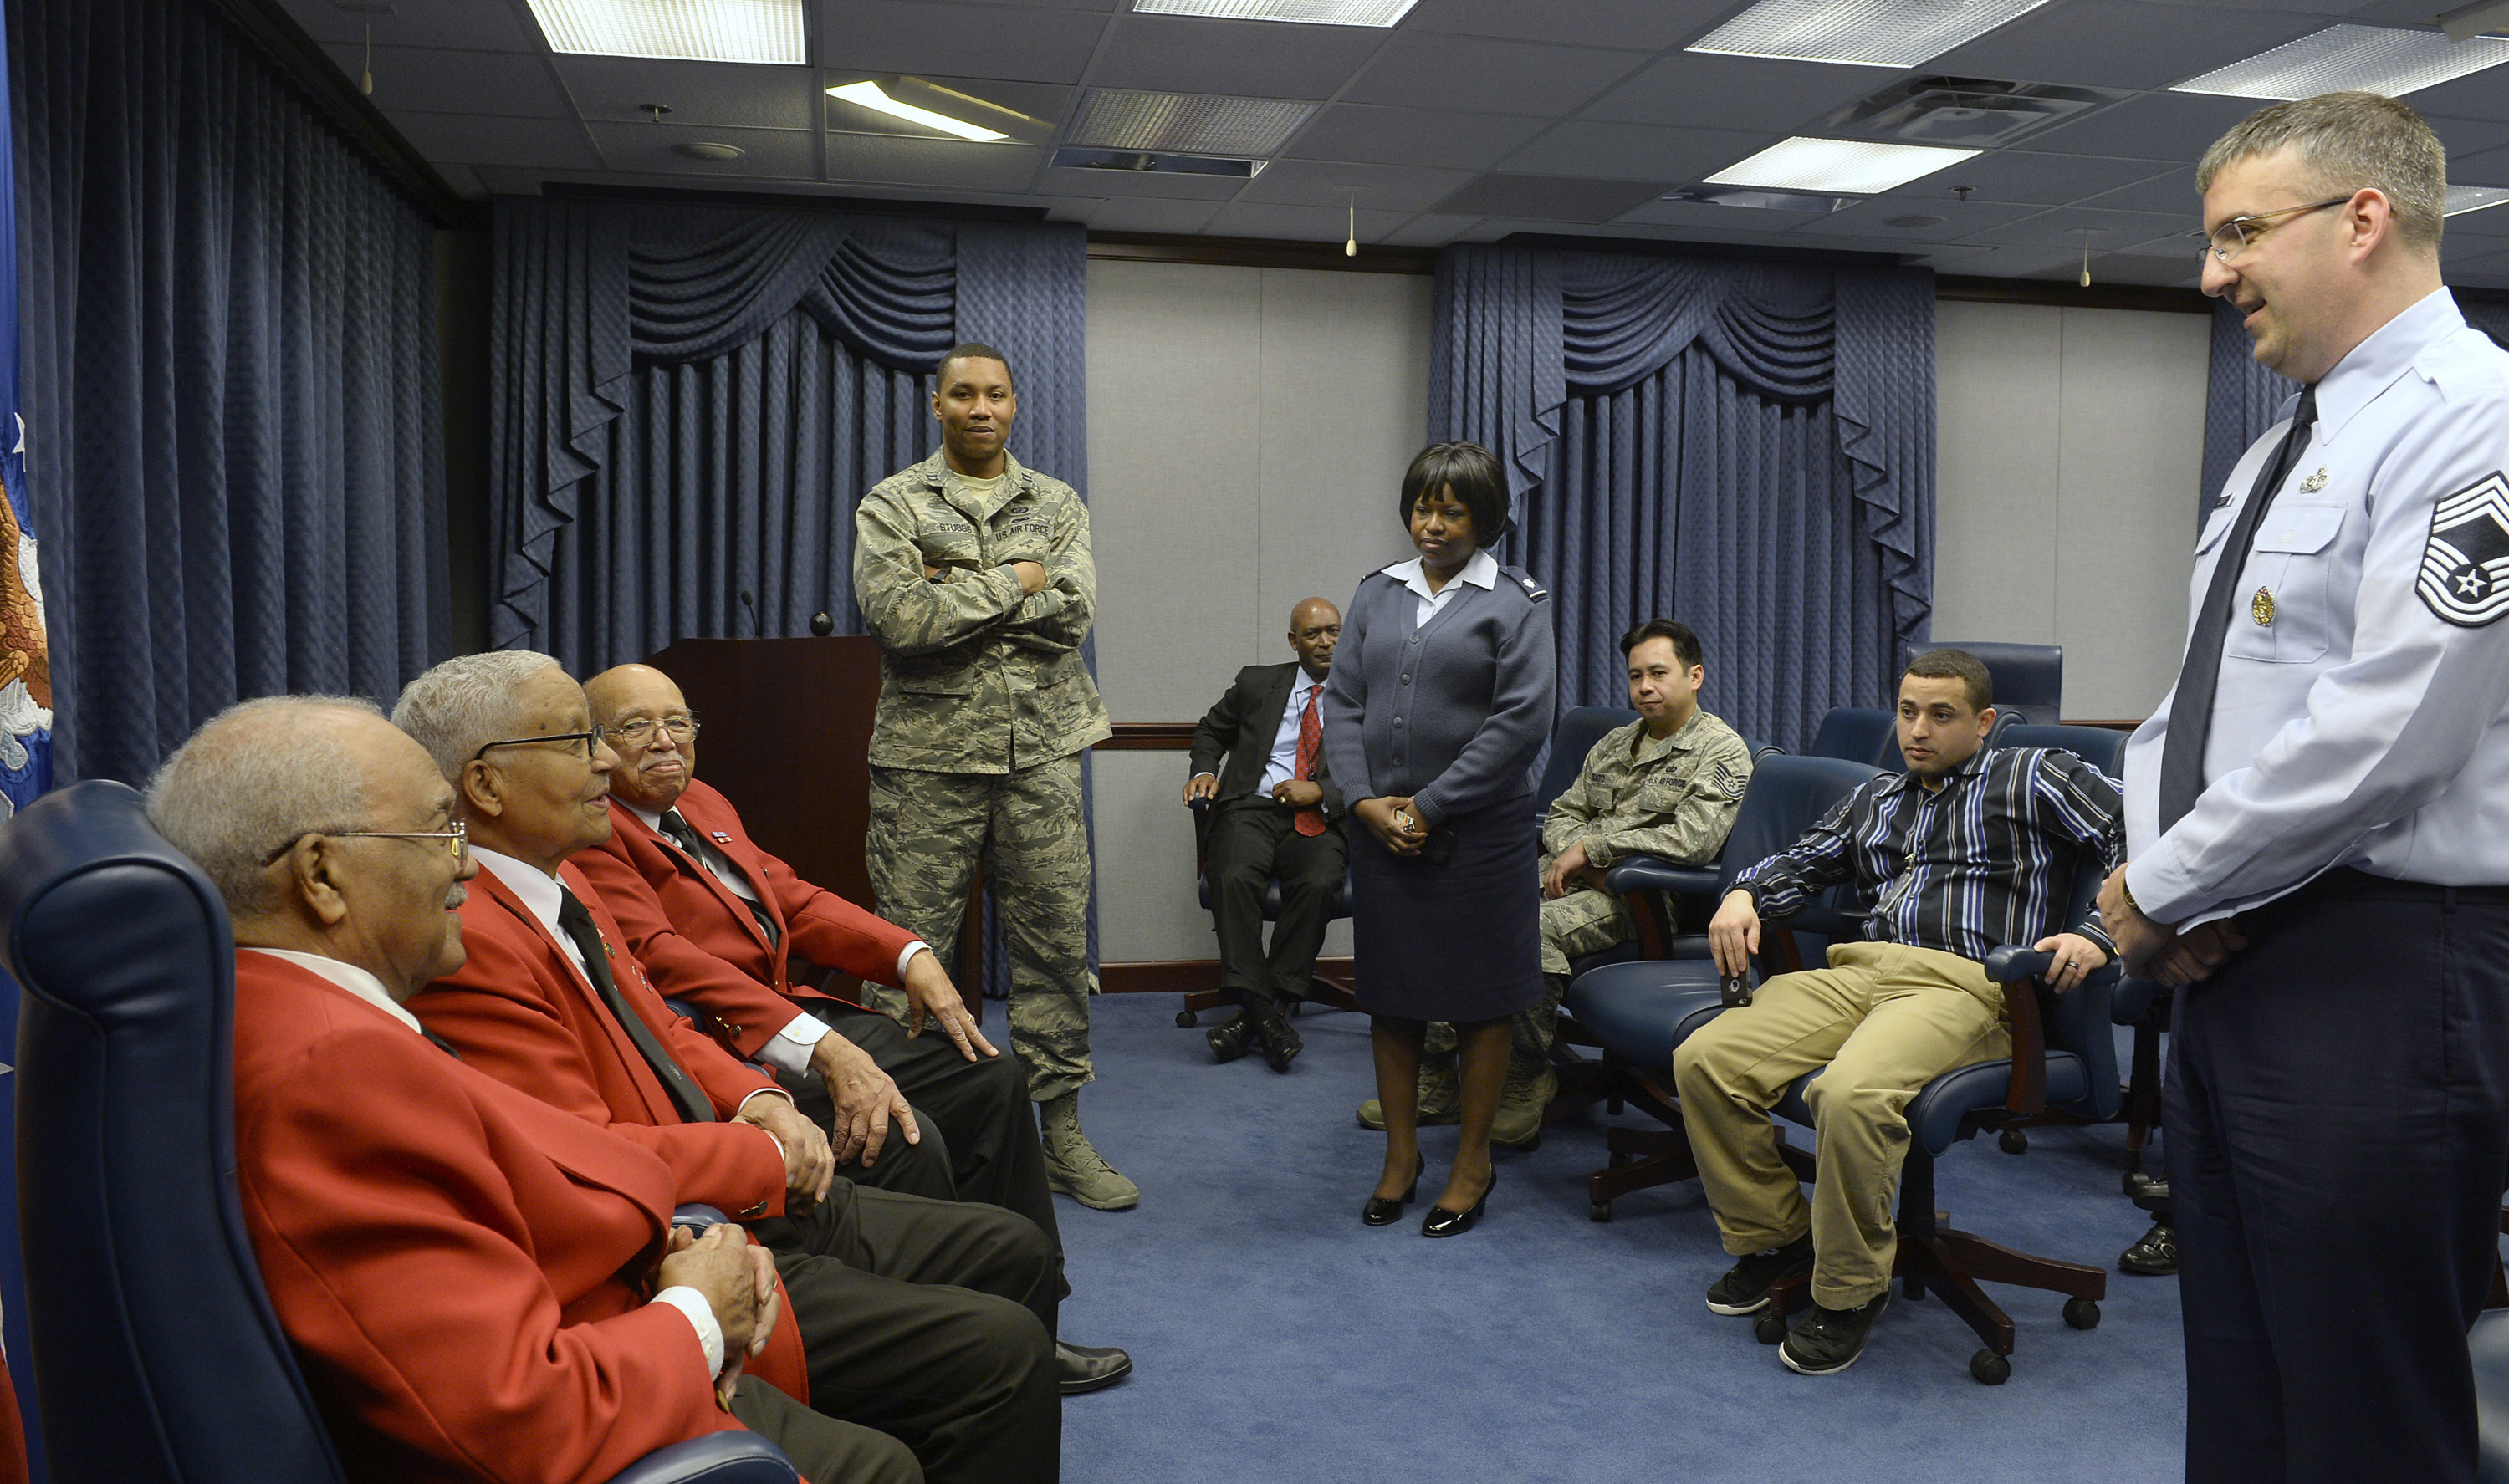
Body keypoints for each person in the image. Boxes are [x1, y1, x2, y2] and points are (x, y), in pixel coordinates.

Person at [145, 696, 916, 1484]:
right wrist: (695, 1311)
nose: (466, 863)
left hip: (638, 1283)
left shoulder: (289, 1008)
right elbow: (515, 1415)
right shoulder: (329, 1069)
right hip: (621, 1376)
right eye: (439, 831)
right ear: (320, 874)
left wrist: (669, 1242)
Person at [2093, 92, 2509, 1482]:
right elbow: (2190, 709)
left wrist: (2159, 886)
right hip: (2236, 952)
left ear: (2365, 220)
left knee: (2367, 1406)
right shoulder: (2284, 448)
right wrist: (2171, 883)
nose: (2215, 275)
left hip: (2385, 970)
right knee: (2249, 1380)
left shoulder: (2478, 420)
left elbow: (2394, 725)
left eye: (2242, 235)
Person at [392, 651, 1063, 1484]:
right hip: (689, 1230)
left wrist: (760, 1099)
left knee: (1013, 1241)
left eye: (675, 722)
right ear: (485, 787)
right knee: (990, 1345)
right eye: (588, 737)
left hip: (726, 1150)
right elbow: (592, 1148)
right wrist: (765, 1148)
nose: (613, 754)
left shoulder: (571, 871)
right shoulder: (479, 935)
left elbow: (670, 1018)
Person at [576, 661, 1127, 1393]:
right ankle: (951, 1347)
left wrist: (909, 953)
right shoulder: (596, 830)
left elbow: (793, 899)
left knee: (992, 1077)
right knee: (911, 1133)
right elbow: (665, 962)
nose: (664, 741)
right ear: (597, 746)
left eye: (677, 722)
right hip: (733, 1049)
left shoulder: (701, 800)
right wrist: (820, 1043)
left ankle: (1033, 1317)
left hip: (801, 1016)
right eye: (636, 726)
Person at [1677, 650, 2122, 1376]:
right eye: (1908, 711)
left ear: (1983, 722)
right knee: (1704, 1059)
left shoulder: (2035, 772)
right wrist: (1743, 895)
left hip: (1967, 984)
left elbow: (2145, 831)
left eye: (1940, 715)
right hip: (1862, 970)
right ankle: (1781, 1236)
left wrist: (2098, 932)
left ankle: (1851, 1290)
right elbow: (1801, 861)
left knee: (1849, 1095)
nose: (1918, 729)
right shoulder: (1880, 795)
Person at [851, 342, 1132, 1211]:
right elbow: (902, 618)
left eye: (996, 394)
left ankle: (1062, 1134)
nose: (981, 407)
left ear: (1015, 404)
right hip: (926, 763)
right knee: (903, 953)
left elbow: (1075, 611)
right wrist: (1018, 577)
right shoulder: (894, 502)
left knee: (1055, 947)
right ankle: (895, 1139)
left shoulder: (1056, 502)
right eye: (963, 393)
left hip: (1040, 753)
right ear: (937, 404)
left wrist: (958, 588)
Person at [1359, 618, 1753, 1147]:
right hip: (1572, 879)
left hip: (1645, 897)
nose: (1645, 687)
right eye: (1636, 675)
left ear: (1695, 676)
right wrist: (1575, 850)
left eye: (1659, 673)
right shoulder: (1615, 743)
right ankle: (1438, 1077)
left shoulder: (1720, 750)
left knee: (1526, 932)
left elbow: (1694, 841)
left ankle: (1525, 1077)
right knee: (1461, 910)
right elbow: (1561, 813)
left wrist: (1593, 851)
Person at [1323, 440, 1556, 1237]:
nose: (1433, 524)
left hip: (1479, 838)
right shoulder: (1376, 594)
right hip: (1381, 834)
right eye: (1423, 506)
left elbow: (1520, 722)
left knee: (1481, 1004)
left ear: (1484, 518)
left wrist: (1428, 805)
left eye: (1453, 511)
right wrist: (1362, 802)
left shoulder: (1515, 602)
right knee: (1393, 997)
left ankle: (1471, 1161)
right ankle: (1400, 1157)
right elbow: (1342, 704)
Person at [1183, 596, 1346, 1073]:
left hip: (1318, 814)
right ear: (1294, 642)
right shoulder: (1256, 682)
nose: (1326, 642)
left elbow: (1381, 765)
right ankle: (1267, 1015)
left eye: (1334, 631)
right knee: (1231, 876)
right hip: (1250, 808)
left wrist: (1318, 790)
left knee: (1319, 884)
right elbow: (1210, 731)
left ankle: (1251, 1016)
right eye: (1313, 634)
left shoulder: (1364, 692)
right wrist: (1205, 770)